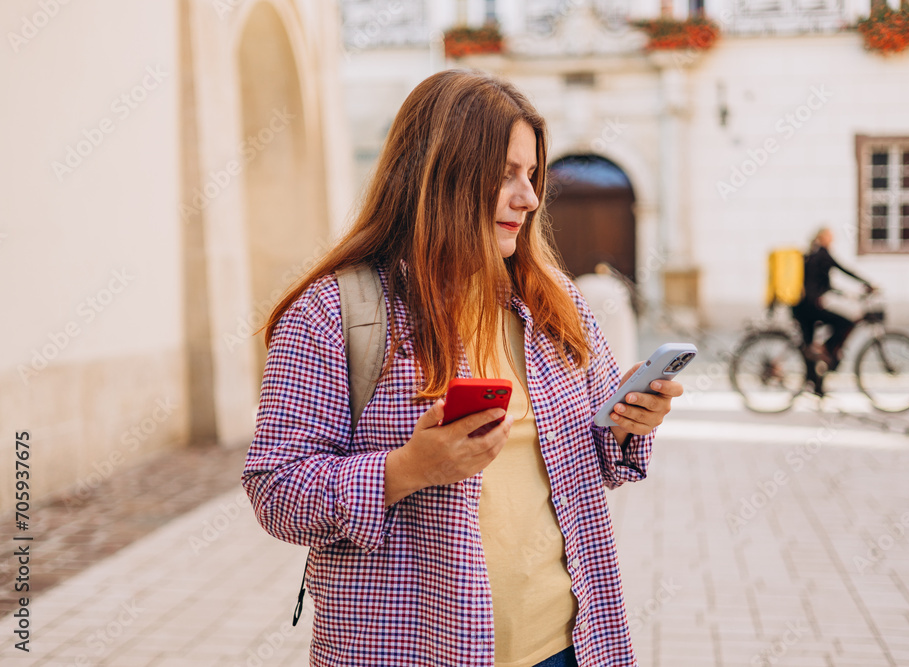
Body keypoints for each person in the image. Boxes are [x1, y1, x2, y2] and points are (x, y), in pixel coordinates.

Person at [242, 69, 682, 667]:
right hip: (414, 650)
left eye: (531, 176)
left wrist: (631, 421)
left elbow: (597, 457)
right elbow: (276, 489)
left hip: (568, 643)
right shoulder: (336, 311)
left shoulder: (554, 299)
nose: (528, 198)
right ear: (436, 175)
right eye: (504, 176)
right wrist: (405, 470)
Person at [792, 227, 873, 371]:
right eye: (830, 237)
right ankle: (827, 350)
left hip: (802, 306)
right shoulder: (822, 254)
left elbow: (823, 284)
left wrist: (846, 293)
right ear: (823, 238)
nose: (833, 240)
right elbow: (844, 269)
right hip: (810, 306)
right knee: (844, 323)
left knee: (809, 347)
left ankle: (816, 385)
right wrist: (867, 283)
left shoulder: (812, 254)